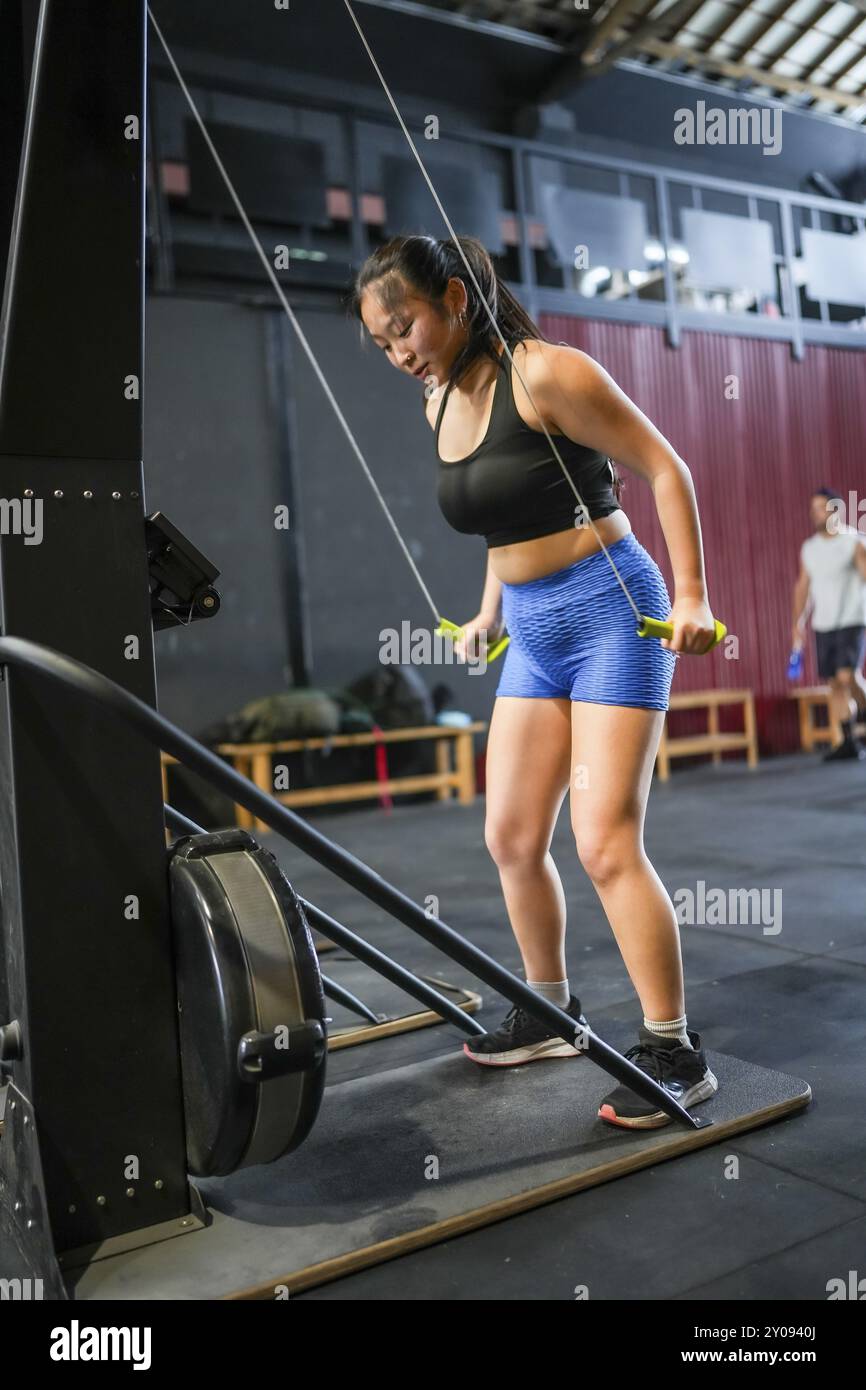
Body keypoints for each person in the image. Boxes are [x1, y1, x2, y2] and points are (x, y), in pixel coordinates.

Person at [351, 234, 721, 1129]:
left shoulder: (547, 373)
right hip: (531, 630)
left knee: (603, 840)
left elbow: (663, 467)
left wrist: (695, 594)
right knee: (512, 835)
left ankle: (674, 1047)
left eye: (404, 327)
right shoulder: (438, 401)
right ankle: (552, 1014)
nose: (399, 353)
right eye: (382, 343)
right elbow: (500, 520)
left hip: (611, 610)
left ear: (453, 298)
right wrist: (487, 615)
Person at [792, 487, 866, 762]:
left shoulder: (854, 542)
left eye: (820, 507)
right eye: (812, 509)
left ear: (836, 510)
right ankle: (849, 741)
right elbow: (803, 587)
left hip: (852, 619)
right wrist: (797, 623)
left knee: (848, 676)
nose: (814, 513)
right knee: (835, 683)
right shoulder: (809, 548)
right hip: (824, 623)